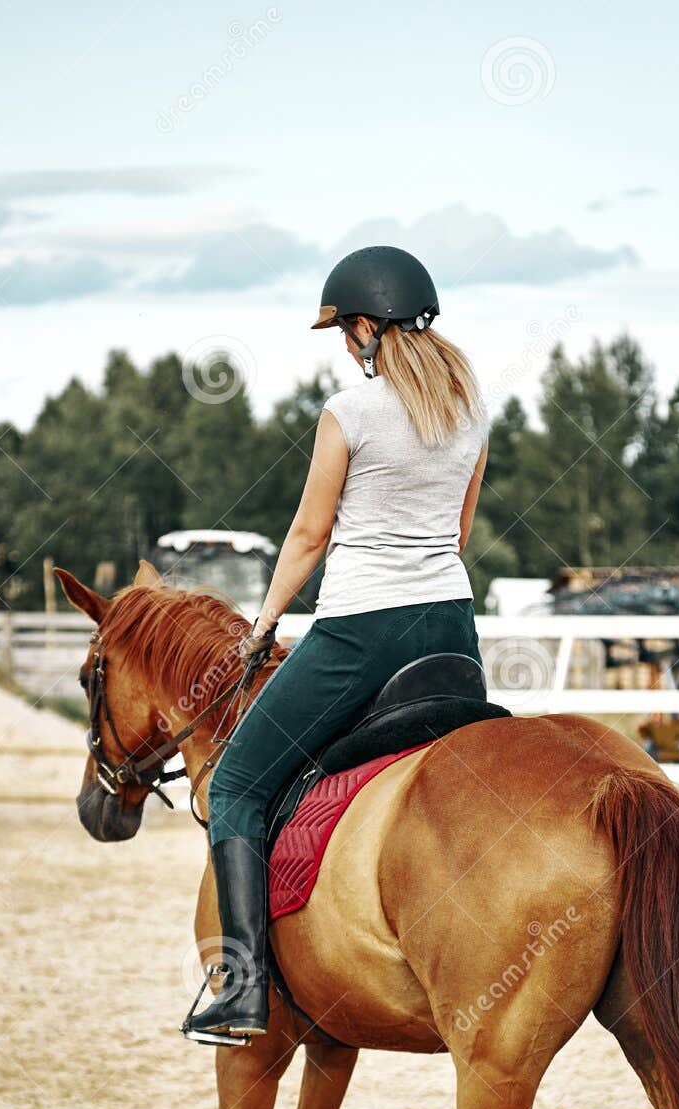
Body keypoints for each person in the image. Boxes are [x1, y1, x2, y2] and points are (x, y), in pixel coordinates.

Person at [184, 245, 489, 1042]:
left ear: (364, 329)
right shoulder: (472, 409)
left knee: (238, 787)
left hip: (362, 633)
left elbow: (310, 533)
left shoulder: (348, 413)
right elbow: (457, 533)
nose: (345, 345)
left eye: (344, 331)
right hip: (452, 628)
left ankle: (243, 989)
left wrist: (263, 625)